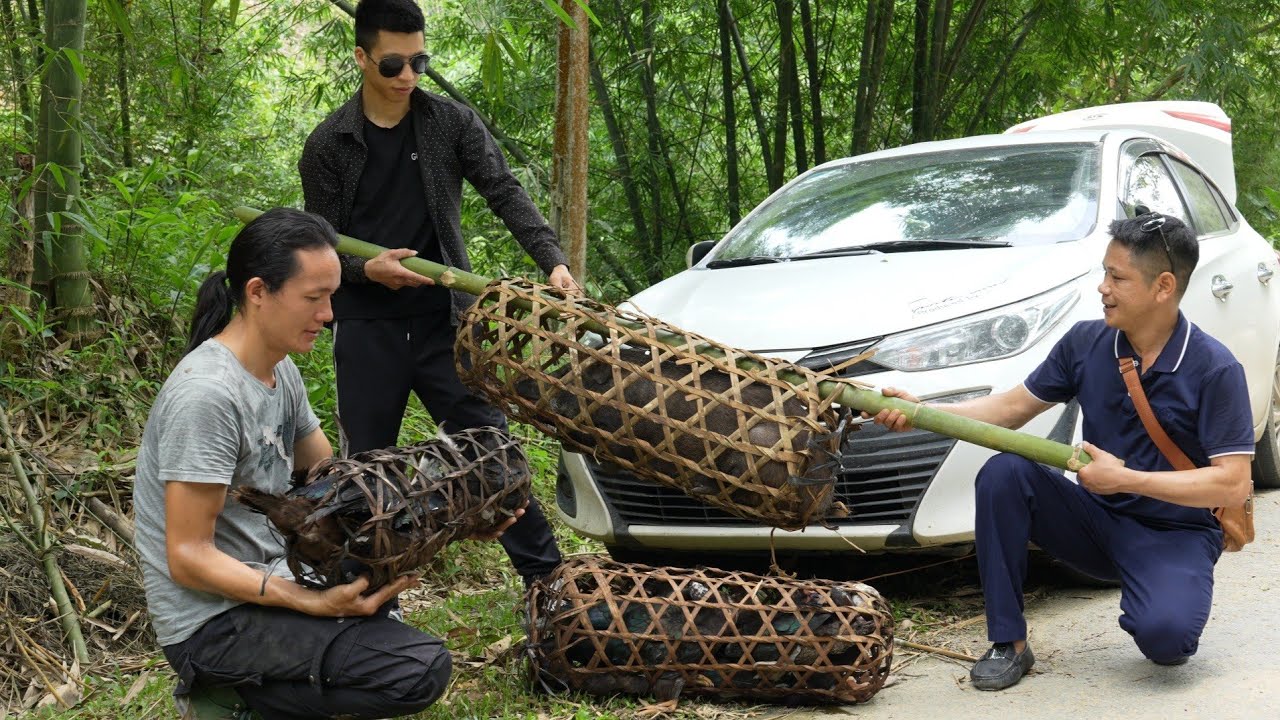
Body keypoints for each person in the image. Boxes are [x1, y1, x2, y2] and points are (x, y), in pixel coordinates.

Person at [134, 208, 522, 719]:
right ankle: (224, 698)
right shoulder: (206, 396)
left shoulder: (281, 370)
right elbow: (187, 556)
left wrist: (453, 517)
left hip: (272, 578)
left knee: (381, 601)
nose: (329, 314)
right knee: (415, 670)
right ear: (257, 292)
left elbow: (338, 493)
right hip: (211, 623)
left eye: (332, 296)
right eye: (314, 298)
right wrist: (307, 601)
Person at [867, 214, 1254, 691]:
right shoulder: (1086, 344)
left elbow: (1233, 482)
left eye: (1117, 277)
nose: (1102, 288)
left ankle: (1157, 590)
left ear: (1163, 286)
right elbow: (1010, 410)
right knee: (1005, 472)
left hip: (1175, 532)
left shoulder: (1215, 369)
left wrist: (1127, 479)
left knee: (1167, 641)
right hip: (1094, 520)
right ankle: (1008, 642)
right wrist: (923, 411)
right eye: (1104, 273)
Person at [298, 0, 571, 588]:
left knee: (491, 455)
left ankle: (550, 590)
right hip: (368, 328)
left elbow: (504, 190)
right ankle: (367, 601)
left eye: (419, 61)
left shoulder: (449, 122)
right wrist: (366, 271)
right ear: (361, 58)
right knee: (366, 475)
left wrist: (553, 262)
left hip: (445, 323)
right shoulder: (329, 144)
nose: (408, 77)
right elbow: (321, 245)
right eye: (393, 64)